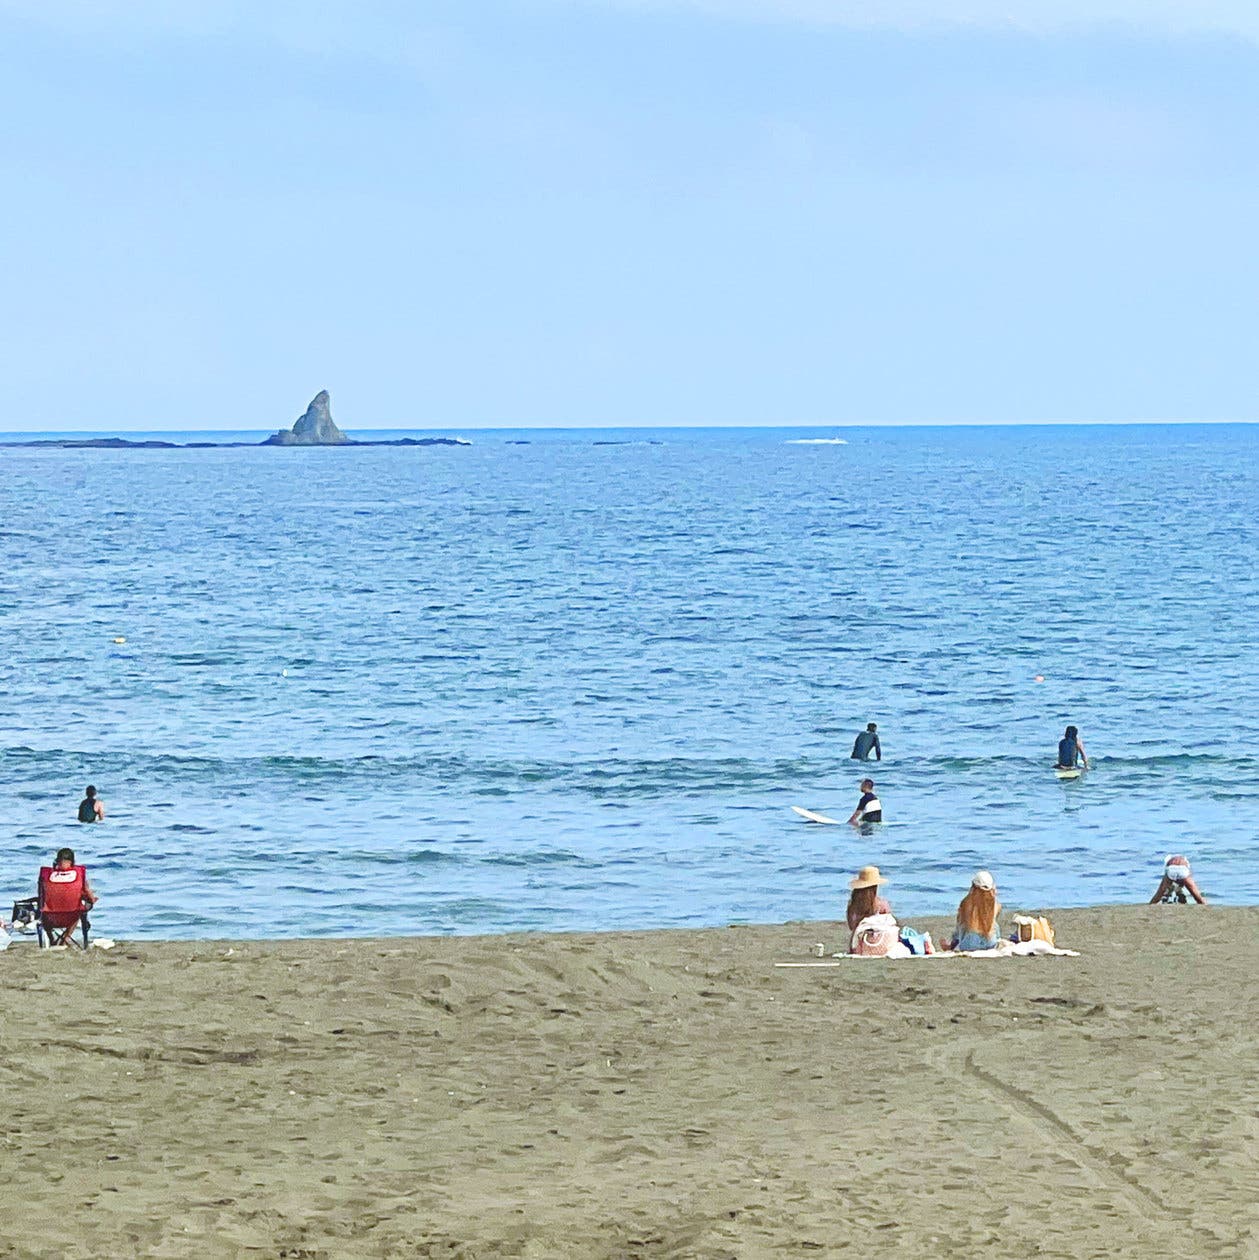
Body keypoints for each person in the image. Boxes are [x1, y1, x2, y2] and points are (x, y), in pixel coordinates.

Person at [947, 870, 1002, 951]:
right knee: (993, 924)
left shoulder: (966, 904)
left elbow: (959, 928)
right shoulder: (996, 905)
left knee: (963, 927)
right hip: (991, 942)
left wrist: (953, 944)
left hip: (969, 944)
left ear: (973, 886)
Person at [845, 865, 892, 931]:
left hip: (858, 938)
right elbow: (889, 923)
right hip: (878, 939)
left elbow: (851, 927)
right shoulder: (881, 904)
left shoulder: (852, 905)